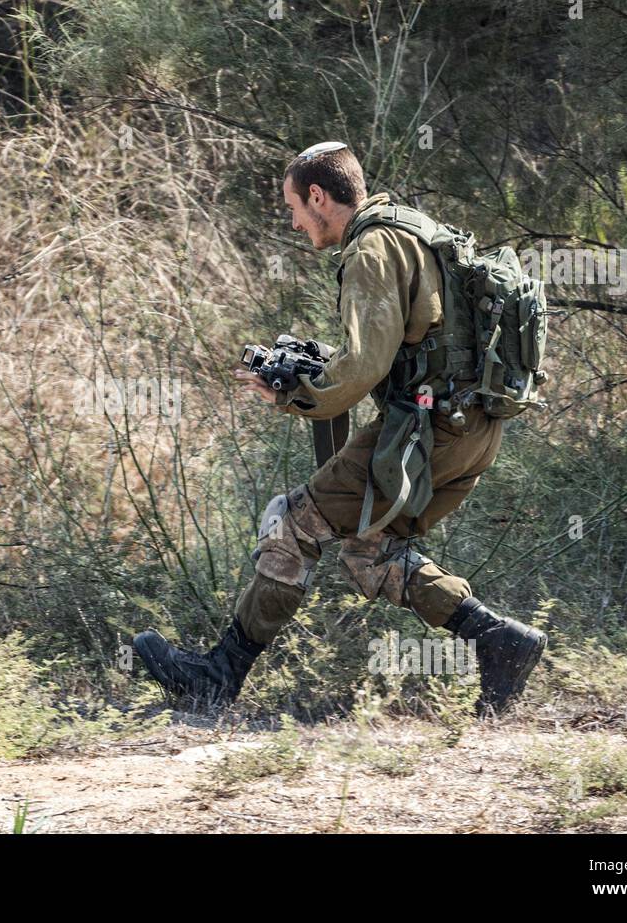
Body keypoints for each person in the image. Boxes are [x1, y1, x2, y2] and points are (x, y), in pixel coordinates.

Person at [133, 141, 547, 718]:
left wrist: (296, 391)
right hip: (470, 428)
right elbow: (416, 348)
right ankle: (501, 643)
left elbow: (364, 365)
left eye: (294, 209)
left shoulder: (372, 249)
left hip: (427, 433)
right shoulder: (415, 230)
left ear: (319, 197)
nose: (295, 222)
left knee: (292, 521)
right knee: (368, 549)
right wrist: (316, 363)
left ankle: (220, 675)